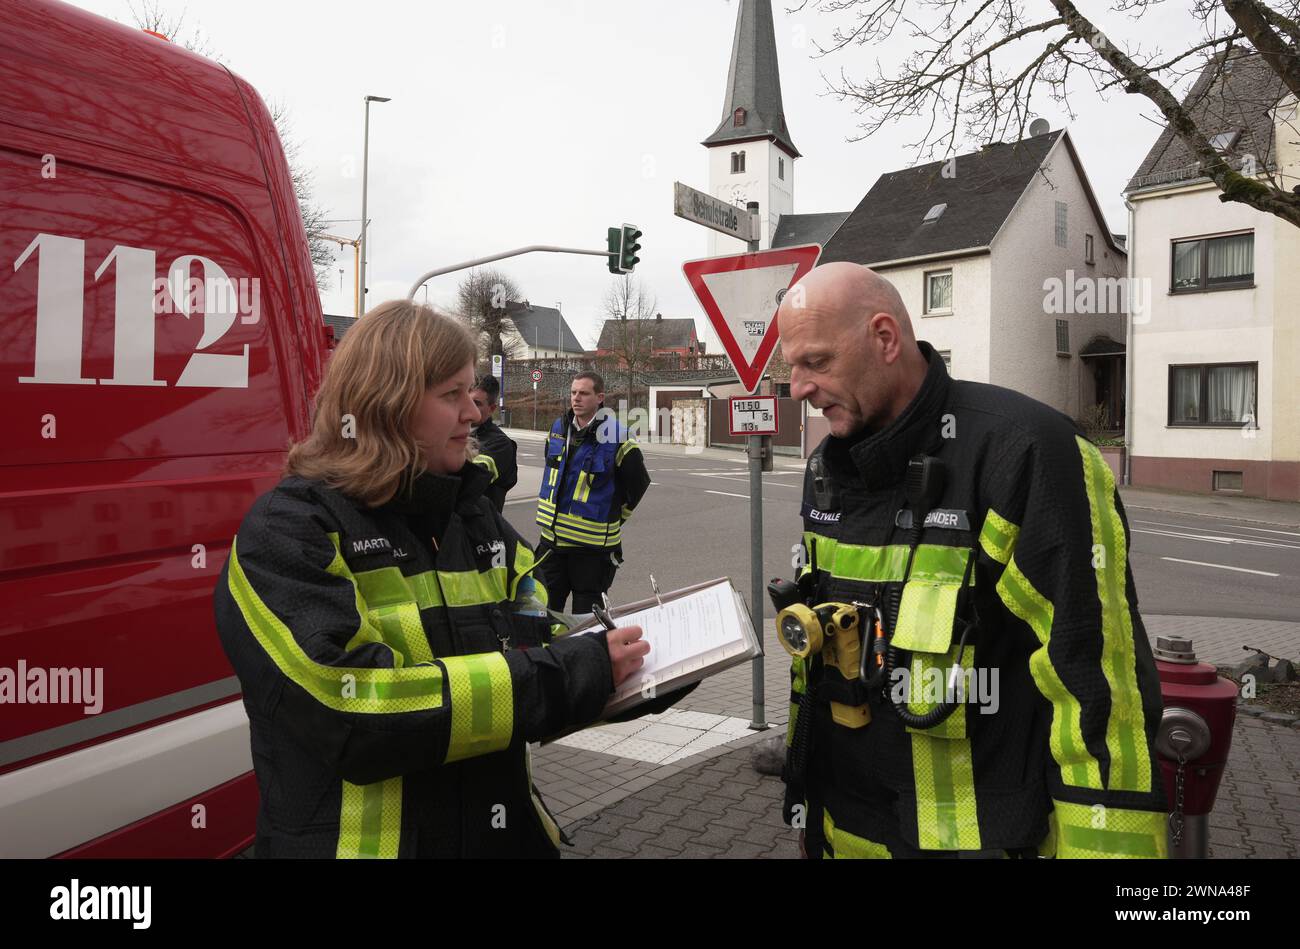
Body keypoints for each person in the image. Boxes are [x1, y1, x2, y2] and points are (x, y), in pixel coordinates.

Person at [213, 301, 650, 858]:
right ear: (385, 406)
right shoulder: (288, 532)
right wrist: (574, 673)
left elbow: (539, 633)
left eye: (473, 392)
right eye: (452, 394)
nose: (474, 413)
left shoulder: (470, 513)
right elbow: (353, 710)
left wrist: (638, 668)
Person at [775, 262, 1168, 859]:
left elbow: (1100, 694)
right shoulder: (829, 469)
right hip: (842, 833)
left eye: (817, 362)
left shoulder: (1029, 453)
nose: (799, 389)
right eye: (792, 368)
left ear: (885, 338)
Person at [535, 371, 650, 614]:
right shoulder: (558, 428)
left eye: (584, 393)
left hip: (592, 551)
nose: (576, 398)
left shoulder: (618, 436)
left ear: (600, 398)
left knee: (586, 623)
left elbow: (638, 484)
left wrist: (617, 518)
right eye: (573, 393)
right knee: (543, 616)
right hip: (551, 545)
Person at [469, 373, 518, 513]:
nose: (469, 407)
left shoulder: (500, 444)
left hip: (480, 530)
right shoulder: (452, 432)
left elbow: (470, 481)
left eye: (476, 403)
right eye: (466, 400)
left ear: (492, 409)